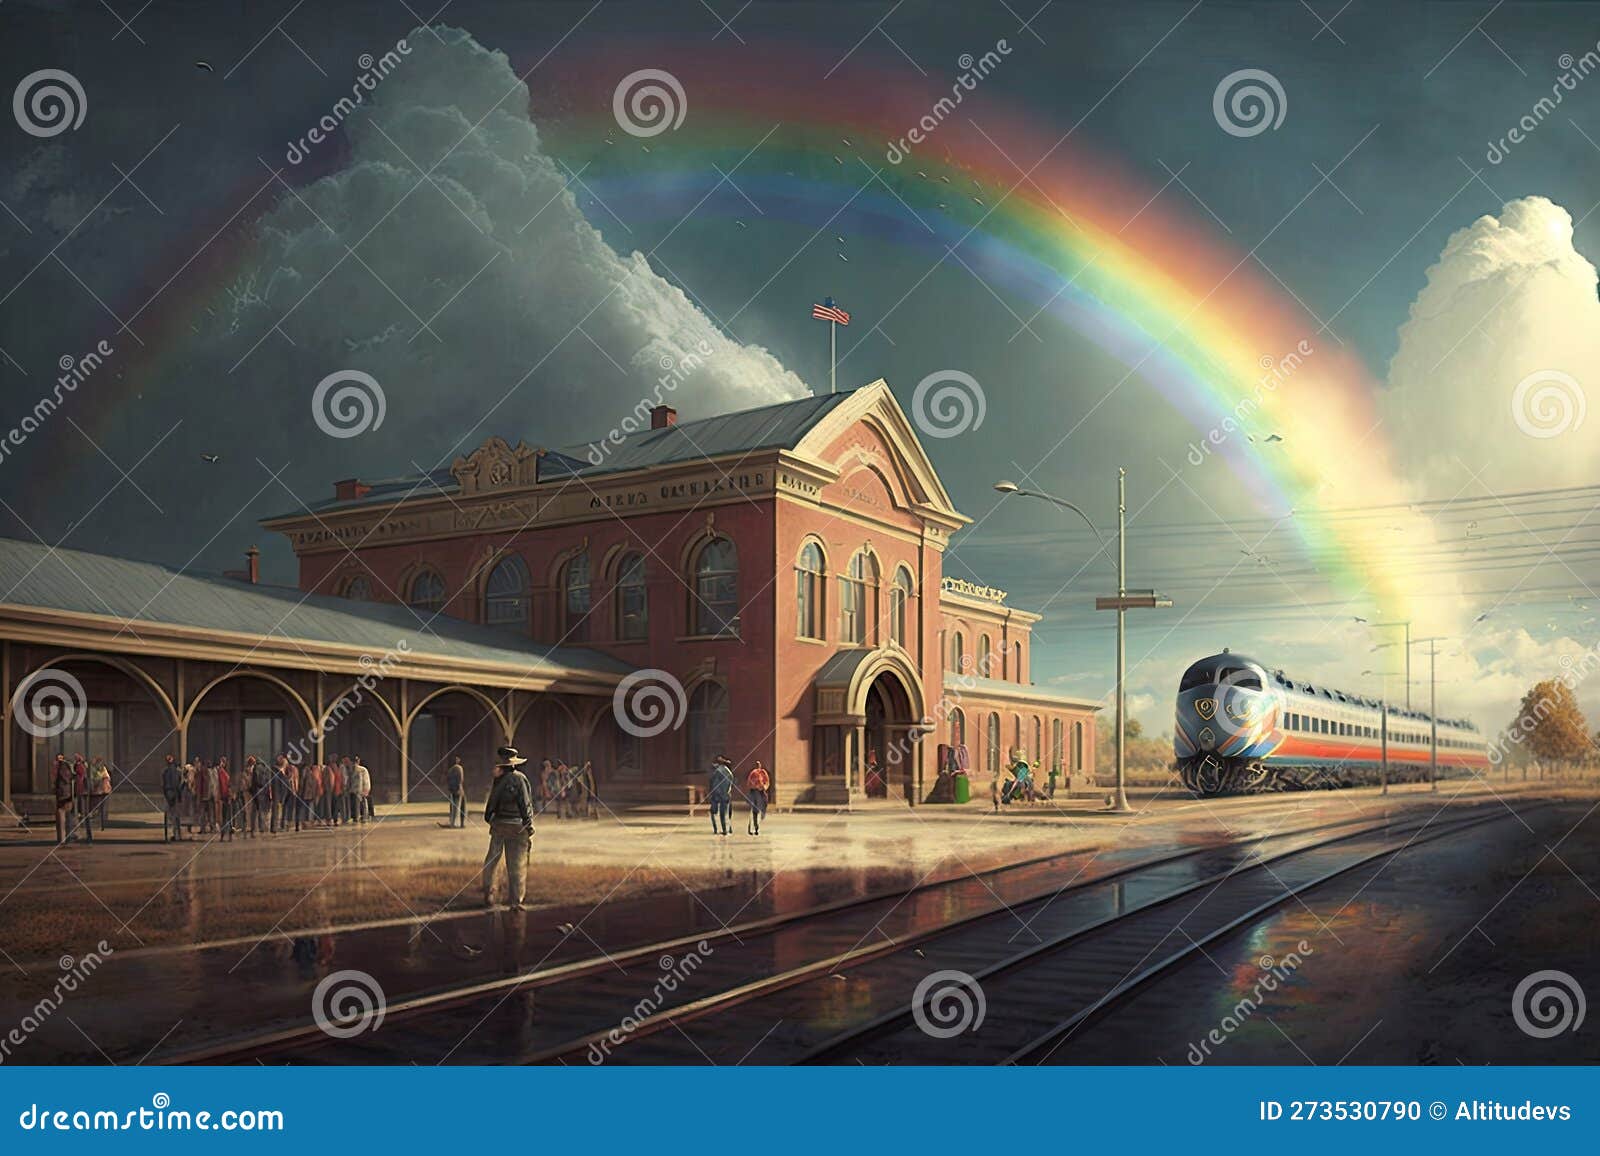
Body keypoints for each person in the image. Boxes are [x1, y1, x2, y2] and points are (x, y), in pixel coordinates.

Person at [481, 746, 534, 909]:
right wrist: (529, 824)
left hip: (499, 825)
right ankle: (516, 901)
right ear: (514, 763)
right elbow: (525, 804)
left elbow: (491, 805)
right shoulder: (520, 779)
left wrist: (490, 818)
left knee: (492, 860)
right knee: (516, 862)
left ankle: (489, 894)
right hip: (517, 826)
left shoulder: (498, 780)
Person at [707, 755, 734, 836]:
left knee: (714, 812)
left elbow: (715, 785)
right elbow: (730, 784)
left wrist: (714, 795)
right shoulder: (729, 772)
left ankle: (718, 829)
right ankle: (727, 829)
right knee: (726, 813)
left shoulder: (717, 772)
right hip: (727, 795)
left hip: (718, 796)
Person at [52, 754, 75, 845]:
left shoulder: (59, 768)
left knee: (61, 816)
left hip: (62, 795)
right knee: (67, 816)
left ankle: (62, 838)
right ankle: (66, 837)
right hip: (67, 794)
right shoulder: (66, 768)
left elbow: (55, 780)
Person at [161, 756, 185, 842]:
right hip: (174, 795)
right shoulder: (177, 772)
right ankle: (177, 835)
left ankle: (174, 835)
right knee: (176, 816)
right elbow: (178, 785)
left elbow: (164, 785)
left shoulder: (165, 772)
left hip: (169, 795)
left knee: (171, 816)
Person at [745, 760, 770, 835]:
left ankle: (757, 827)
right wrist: (756, 786)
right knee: (754, 811)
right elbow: (749, 783)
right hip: (754, 793)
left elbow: (767, 782)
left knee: (760, 809)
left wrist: (763, 787)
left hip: (761, 792)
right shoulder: (752, 773)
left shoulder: (763, 773)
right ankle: (753, 828)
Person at [89, 756, 112, 832]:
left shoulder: (102, 769)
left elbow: (105, 778)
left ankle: (102, 823)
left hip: (102, 790)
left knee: (102, 808)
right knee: (99, 807)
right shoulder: (98, 769)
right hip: (99, 791)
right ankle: (100, 823)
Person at [72, 755, 92, 843]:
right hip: (81, 792)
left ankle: (83, 835)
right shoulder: (83, 767)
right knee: (82, 813)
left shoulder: (80, 768)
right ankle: (86, 835)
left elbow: (78, 773)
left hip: (80, 792)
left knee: (80, 813)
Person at [446, 757, 466, 828]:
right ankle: (460, 823)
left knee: (453, 806)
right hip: (458, 789)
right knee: (461, 806)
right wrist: (460, 789)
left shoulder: (450, 770)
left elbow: (448, 780)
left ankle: (453, 822)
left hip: (452, 790)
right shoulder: (459, 768)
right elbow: (460, 779)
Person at [216, 760, 233, 842]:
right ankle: (227, 835)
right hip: (224, 798)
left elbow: (225, 787)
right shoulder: (223, 774)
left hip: (224, 798)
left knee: (225, 817)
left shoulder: (223, 774)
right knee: (225, 817)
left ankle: (226, 835)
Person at [352, 757, 371, 824]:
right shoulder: (353, 770)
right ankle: (358, 817)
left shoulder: (362, 770)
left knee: (362, 803)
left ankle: (364, 817)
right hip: (356, 790)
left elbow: (365, 780)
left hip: (360, 790)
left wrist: (366, 789)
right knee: (357, 804)